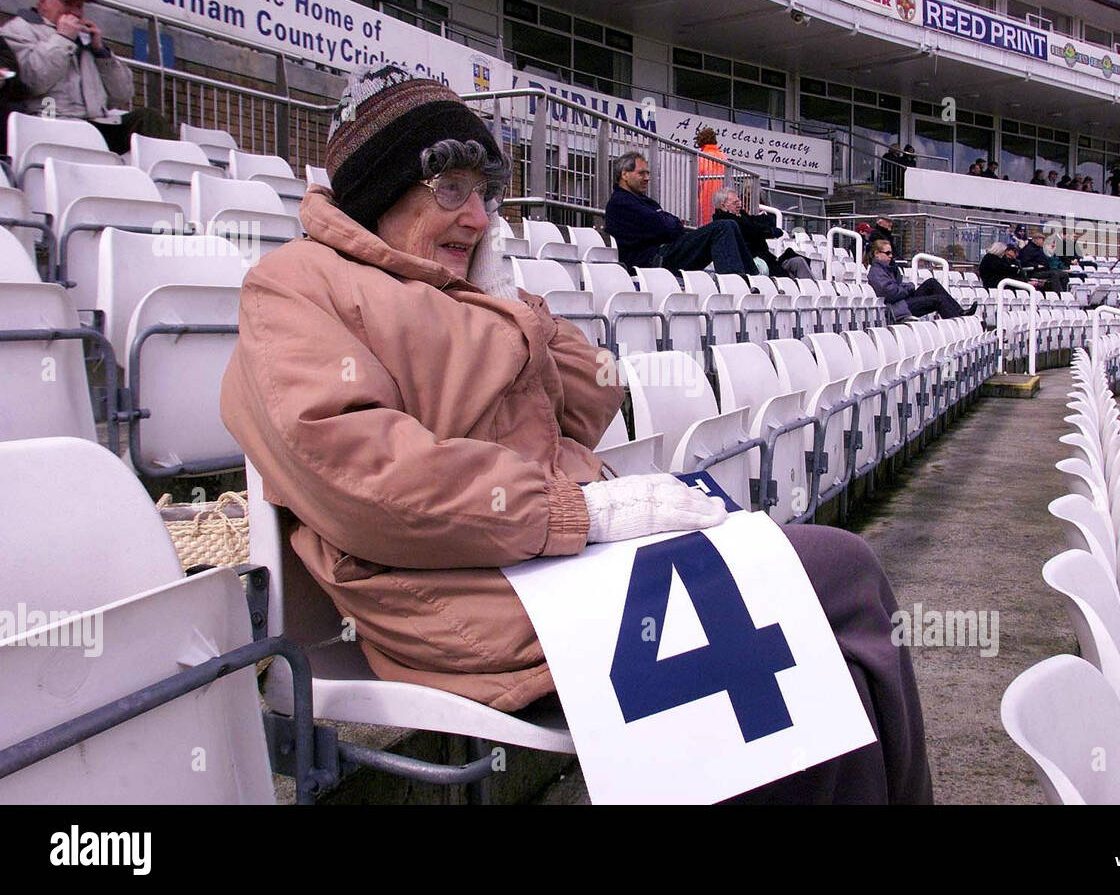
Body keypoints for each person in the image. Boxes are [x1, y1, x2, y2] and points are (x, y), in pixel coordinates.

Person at [219, 66, 933, 804]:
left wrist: (506, 302)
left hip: (554, 562)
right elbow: (364, 478)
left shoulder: (459, 288)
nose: (476, 218)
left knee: (837, 642)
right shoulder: (294, 285)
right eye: (450, 190)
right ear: (378, 193)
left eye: (486, 195)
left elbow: (596, 397)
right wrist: (578, 515)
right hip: (456, 588)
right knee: (835, 587)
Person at [0, 0, 176, 153]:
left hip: (95, 124)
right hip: (50, 122)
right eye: (67, 3)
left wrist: (102, 53)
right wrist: (62, 39)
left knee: (148, 119)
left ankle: (176, 178)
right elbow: (32, 82)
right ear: (42, 0)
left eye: (79, 6)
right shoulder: (18, 30)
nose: (75, 12)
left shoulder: (85, 38)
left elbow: (123, 94)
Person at [604, 151, 756, 275]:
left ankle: (751, 279)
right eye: (641, 173)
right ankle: (735, 284)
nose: (647, 178)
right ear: (624, 175)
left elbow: (670, 225)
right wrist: (668, 222)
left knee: (730, 225)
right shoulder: (621, 202)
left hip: (664, 254)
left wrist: (668, 223)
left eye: (648, 173)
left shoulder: (643, 201)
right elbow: (665, 227)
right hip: (653, 262)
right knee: (723, 227)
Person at [711, 186, 813, 279]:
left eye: (739, 201)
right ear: (723, 205)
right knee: (789, 277)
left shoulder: (742, 216)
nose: (739, 205)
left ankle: (813, 293)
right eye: (735, 203)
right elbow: (751, 229)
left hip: (768, 261)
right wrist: (769, 231)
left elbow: (764, 221)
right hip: (755, 265)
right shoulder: (724, 223)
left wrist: (768, 228)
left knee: (799, 262)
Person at [866, 238, 976, 322]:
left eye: (891, 253)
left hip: (902, 302)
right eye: (887, 253)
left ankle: (960, 312)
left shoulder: (888, 269)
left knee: (931, 283)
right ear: (877, 254)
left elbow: (896, 288)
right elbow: (891, 294)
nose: (891, 256)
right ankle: (957, 323)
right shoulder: (876, 272)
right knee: (938, 299)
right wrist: (908, 288)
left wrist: (905, 287)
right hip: (897, 309)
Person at [694, 126, 727, 226]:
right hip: (722, 197)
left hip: (705, 196)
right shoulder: (723, 157)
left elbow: (697, 181)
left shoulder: (701, 157)